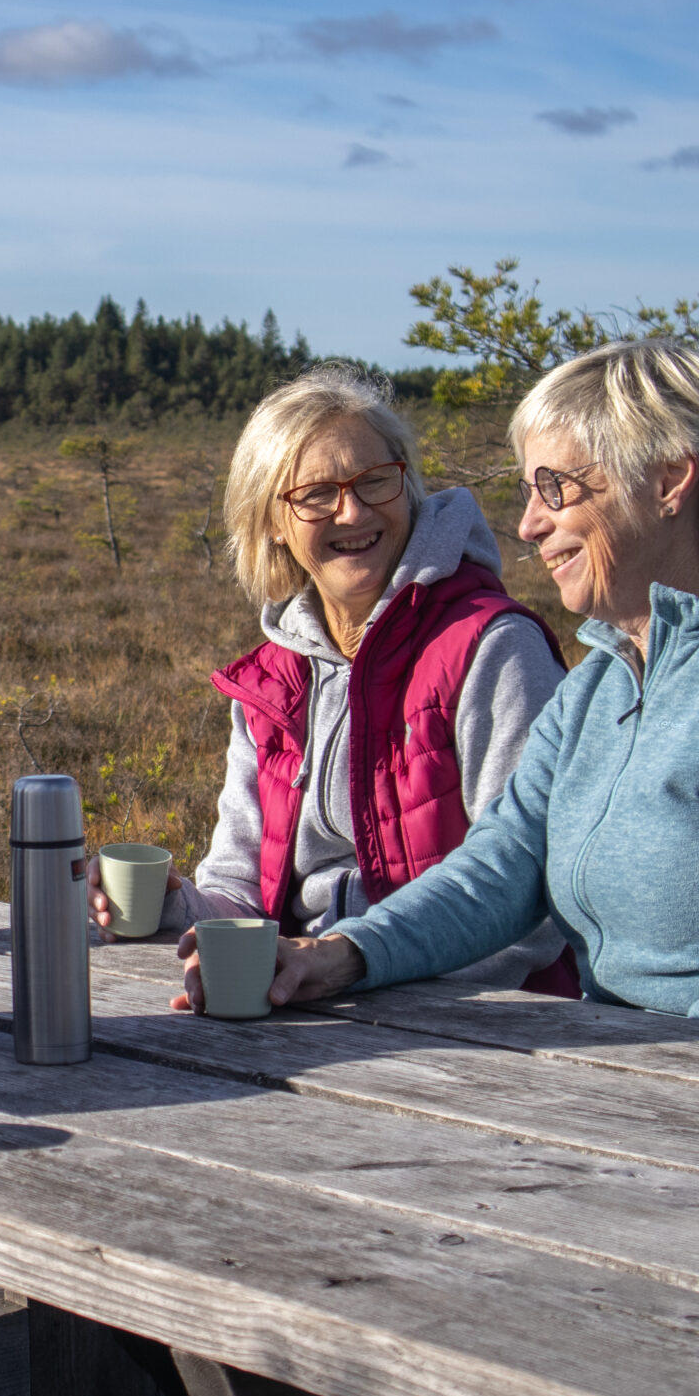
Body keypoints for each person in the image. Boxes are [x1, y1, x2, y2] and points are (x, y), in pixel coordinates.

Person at [244, 340, 699, 1054]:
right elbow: (496, 871)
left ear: (669, 481)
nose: (528, 523)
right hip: (653, 1079)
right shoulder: (601, 682)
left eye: (556, 488)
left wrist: (646, 1097)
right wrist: (341, 955)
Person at [103, 363, 576, 994]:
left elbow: (531, 907)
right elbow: (242, 893)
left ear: (406, 488)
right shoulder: (273, 681)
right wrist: (177, 909)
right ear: (273, 520)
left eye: (375, 481)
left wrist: (343, 962)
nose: (352, 512)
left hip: (478, 1021)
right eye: (316, 495)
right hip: (310, 998)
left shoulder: (492, 649)